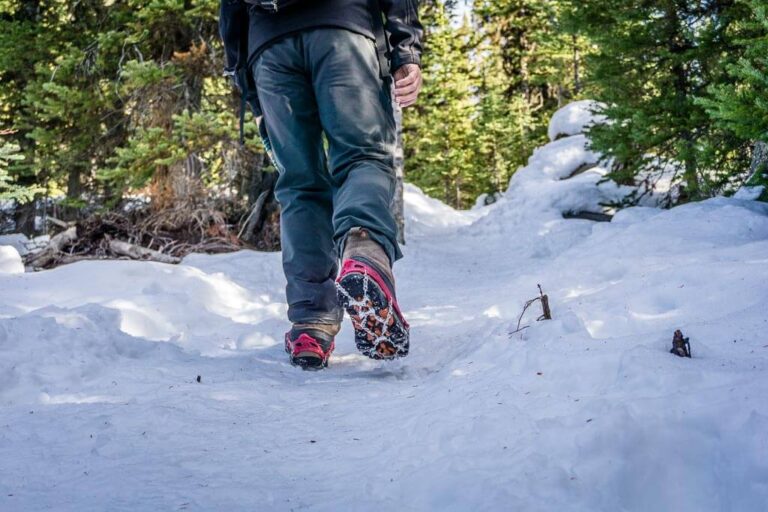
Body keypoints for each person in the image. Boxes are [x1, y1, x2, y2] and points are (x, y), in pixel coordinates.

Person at [219, 0, 424, 369]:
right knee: (363, 156)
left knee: (299, 184)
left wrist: (243, 74)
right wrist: (405, 48)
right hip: (344, 30)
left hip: (269, 49)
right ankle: (364, 252)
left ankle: (311, 323)